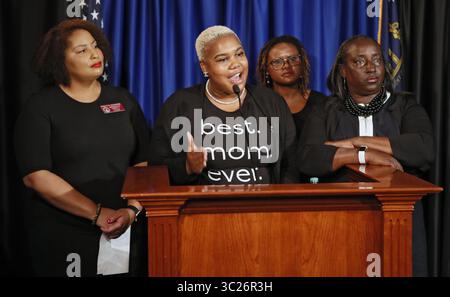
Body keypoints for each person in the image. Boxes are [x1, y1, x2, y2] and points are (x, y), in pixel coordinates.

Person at [14, 19, 149, 276]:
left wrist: (131, 210)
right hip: (65, 232)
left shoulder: (123, 100)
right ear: (60, 61)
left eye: (95, 46)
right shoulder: (40, 107)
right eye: (81, 50)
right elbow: (36, 176)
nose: (94, 54)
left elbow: (143, 163)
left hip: (124, 228)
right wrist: (97, 214)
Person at [297, 35, 434, 276]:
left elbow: (423, 149)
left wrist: (355, 143)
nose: (371, 68)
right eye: (359, 62)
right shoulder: (325, 110)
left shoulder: (405, 106)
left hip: (399, 219)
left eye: (377, 60)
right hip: (342, 218)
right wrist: (364, 155)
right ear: (343, 70)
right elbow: (309, 158)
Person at [149, 26, 297, 185]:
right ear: (204, 67)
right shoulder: (180, 105)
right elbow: (155, 168)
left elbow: (291, 165)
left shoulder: (270, 102)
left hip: (265, 207)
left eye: (239, 54)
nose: (235, 64)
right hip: (200, 207)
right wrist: (187, 167)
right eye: (222, 59)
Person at [256, 35, 327, 140]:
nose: (286, 66)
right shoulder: (256, 104)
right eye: (277, 62)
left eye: (293, 59)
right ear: (266, 69)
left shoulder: (322, 103)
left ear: (302, 64)